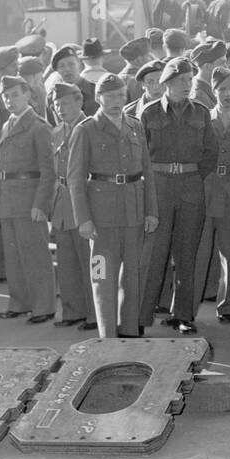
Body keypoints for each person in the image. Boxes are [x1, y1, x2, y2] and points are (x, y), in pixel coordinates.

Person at [68, 72, 159, 339]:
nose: (116, 100)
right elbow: (75, 178)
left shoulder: (135, 126)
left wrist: (151, 210)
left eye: (120, 95)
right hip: (101, 214)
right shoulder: (86, 130)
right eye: (109, 96)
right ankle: (107, 333)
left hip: (133, 210)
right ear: (98, 99)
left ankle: (130, 329)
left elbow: (147, 172)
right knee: (103, 276)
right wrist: (83, 219)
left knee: (133, 274)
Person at [138, 56, 217, 333]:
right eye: (182, 80)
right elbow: (140, 154)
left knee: (187, 254)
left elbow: (210, 152)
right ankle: (142, 316)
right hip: (158, 187)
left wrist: (191, 175)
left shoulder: (201, 113)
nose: (187, 85)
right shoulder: (149, 113)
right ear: (167, 83)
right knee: (154, 255)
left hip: (190, 187)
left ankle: (183, 315)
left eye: (190, 80)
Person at [0, 73, 57, 324]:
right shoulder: (7, 124)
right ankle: (19, 303)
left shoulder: (38, 127)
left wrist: (41, 204)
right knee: (14, 256)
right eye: (6, 97)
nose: (10, 100)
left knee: (36, 255)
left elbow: (48, 171)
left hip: (29, 199)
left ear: (28, 94)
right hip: (8, 199)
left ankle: (43, 306)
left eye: (15, 94)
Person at [192, 67, 230, 323]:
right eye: (222, 89)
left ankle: (228, 307)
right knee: (198, 253)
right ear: (213, 91)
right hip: (206, 191)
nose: (228, 94)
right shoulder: (204, 119)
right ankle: (187, 307)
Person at [49, 82, 97, 330]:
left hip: (84, 201)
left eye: (65, 103)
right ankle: (72, 311)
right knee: (66, 262)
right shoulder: (56, 132)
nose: (59, 108)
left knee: (88, 261)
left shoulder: (90, 128)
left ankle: (94, 313)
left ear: (79, 102)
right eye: (56, 104)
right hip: (61, 202)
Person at [190, 40, 227, 110]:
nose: (226, 67)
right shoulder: (198, 97)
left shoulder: (210, 86)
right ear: (208, 66)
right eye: (222, 63)